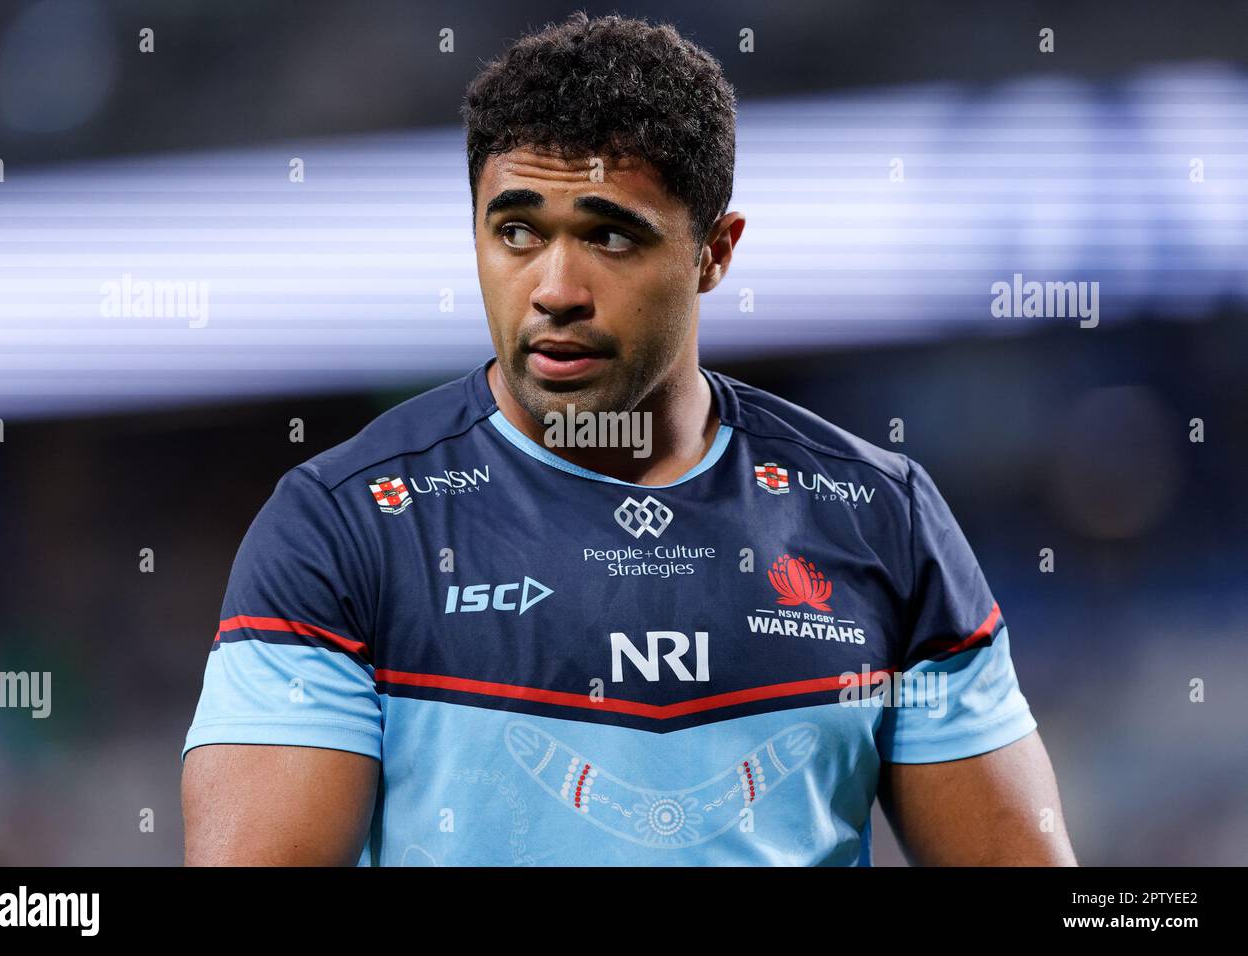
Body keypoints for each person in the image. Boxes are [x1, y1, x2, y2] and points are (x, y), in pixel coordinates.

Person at [181, 11, 1075, 866]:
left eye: (610, 236)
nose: (554, 288)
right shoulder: (344, 526)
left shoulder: (882, 517)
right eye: (518, 232)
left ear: (715, 253)